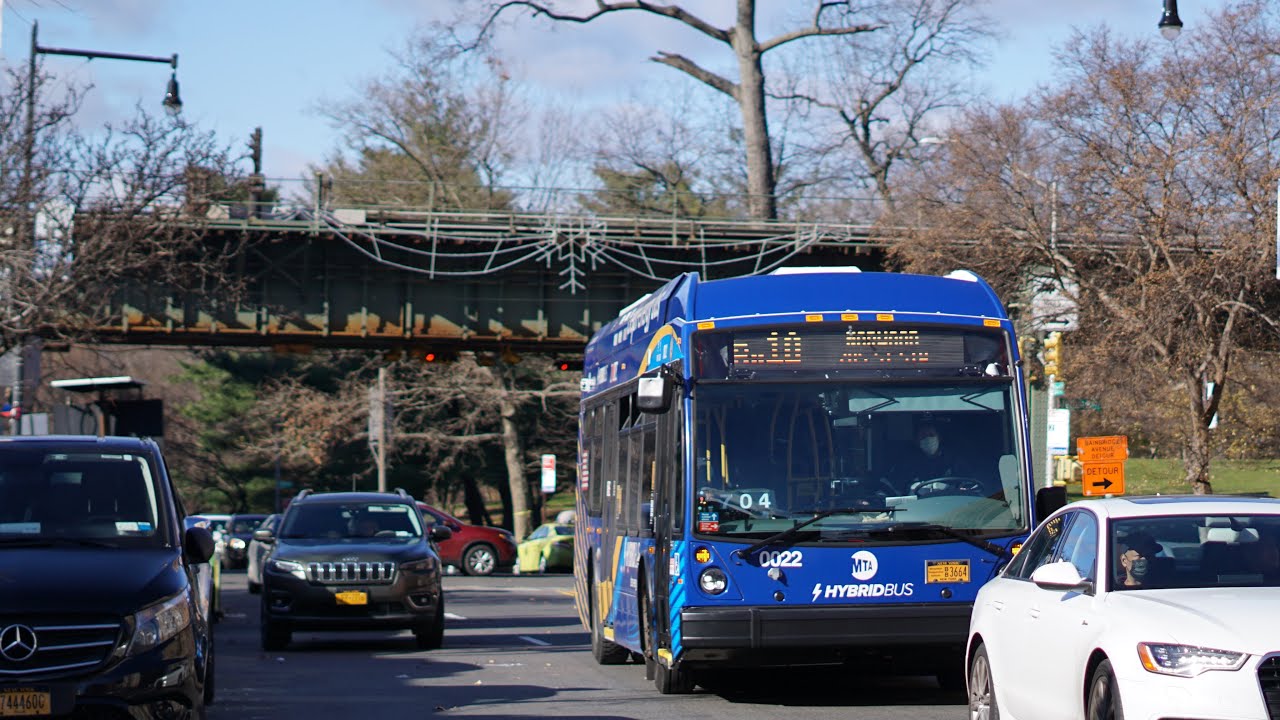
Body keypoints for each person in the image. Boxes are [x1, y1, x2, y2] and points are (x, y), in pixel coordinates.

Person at [891, 421, 971, 493]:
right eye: (923, 436)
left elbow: (967, 481)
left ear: (938, 438)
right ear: (916, 440)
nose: (928, 439)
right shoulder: (907, 461)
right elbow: (896, 485)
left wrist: (963, 487)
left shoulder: (954, 458)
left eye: (931, 435)